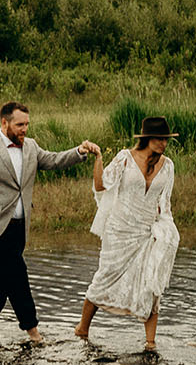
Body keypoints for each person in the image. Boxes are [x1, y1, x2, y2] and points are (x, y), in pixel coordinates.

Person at [0, 101, 101, 344]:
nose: (24, 129)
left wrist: (79, 151)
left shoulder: (31, 146)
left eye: (27, 124)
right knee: (18, 276)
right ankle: (33, 332)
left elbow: (53, 160)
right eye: (20, 125)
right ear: (4, 123)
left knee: (1, 278)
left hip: (20, 229)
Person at [74, 115, 180, 351]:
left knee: (151, 283)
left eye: (166, 139)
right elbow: (101, 185)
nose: (163, 143)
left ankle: (150, 342)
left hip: (147, 231)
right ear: (147, 138)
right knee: (104, 277)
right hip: (119, 230)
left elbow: (165, 203)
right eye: (159, 139)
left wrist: (165, 231)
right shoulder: (125, 158)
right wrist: (99, 158)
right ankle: (82, 328)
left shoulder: (168, 166)